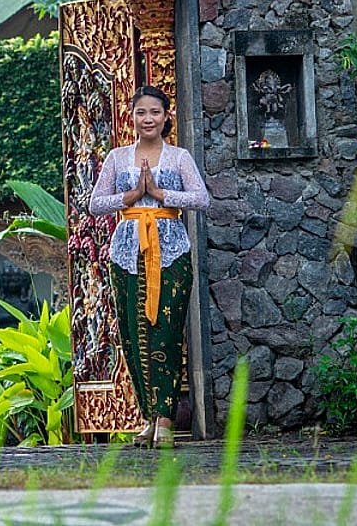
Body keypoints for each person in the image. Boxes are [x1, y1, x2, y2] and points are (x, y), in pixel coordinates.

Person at [89, 85, 210, 448]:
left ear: (166, 116)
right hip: (127, 253)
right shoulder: (116, 158)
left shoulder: (179, 157)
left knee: (166, 332)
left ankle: (166, 419)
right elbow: (95, 204)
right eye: (141, 112)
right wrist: (129, 197)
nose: (148, 119)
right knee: (133, 333)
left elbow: (201, 198)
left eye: (155, 112)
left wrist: (159, 195)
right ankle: (148, 416)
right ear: (132, 116)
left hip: (170, 252)